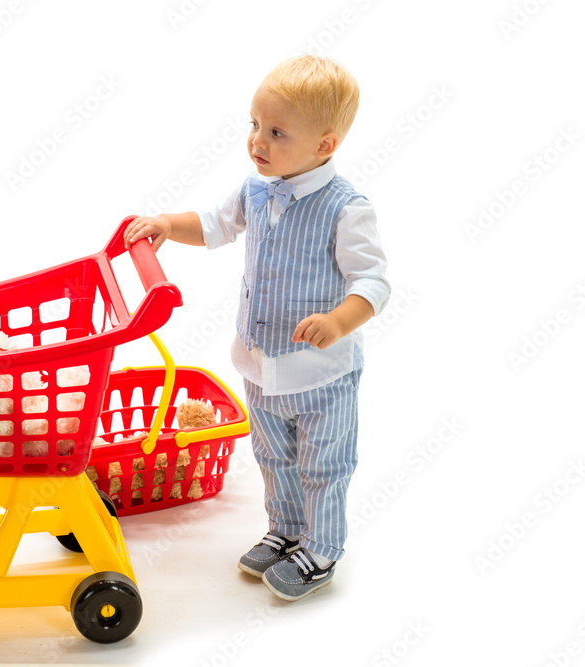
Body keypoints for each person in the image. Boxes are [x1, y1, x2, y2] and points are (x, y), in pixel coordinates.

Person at [124, 55, 389, 601]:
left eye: (276, 132)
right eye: (254, 125)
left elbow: (373, 283)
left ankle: (322, 548)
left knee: (324, 462)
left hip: (320, 372)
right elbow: (215, 225)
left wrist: (339, 320)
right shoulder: (257, 189)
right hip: (260, 362)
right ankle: (286, 529)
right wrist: (168, 226)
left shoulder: (346, 208)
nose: (257, 141)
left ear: (324, 145)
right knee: (272, 455)